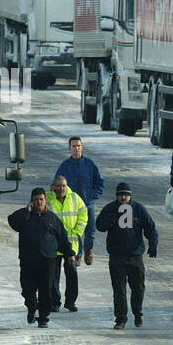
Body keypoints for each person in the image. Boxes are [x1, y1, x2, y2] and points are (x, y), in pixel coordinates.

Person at [7, 187, 75, 328]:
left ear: (45, 201)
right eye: (36, 200)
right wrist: (26, 211)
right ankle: (32, 308)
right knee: (27, 289)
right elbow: (12, 221)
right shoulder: (25, 217)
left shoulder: (52, 219)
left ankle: (43, 317)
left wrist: (69, 254)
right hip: (28, 260)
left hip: (48, 260)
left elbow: (62, 238)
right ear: (32, 201)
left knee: (46, 290)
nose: (39, 202)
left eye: (41, 200)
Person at [96, 182, 158, 330]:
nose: (123, 197)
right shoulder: (110, 208)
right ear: (117, 195)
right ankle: (120, 319)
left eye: (126, 194)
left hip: (135, 256)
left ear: (130, 195)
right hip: (117, 256)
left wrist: (153, 243)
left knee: (138, 288)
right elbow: (99, 226)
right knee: (119, 290)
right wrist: (112, 218)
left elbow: (150, 227)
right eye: (121, 194)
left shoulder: (138, 209)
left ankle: (138, 314)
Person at [54, 136, 104, 264]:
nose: (76, 149)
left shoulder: (90, 165)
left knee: (90, 230)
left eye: (78, 146)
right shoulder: (65, 166)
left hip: (88, 204)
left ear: (82, 147)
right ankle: (78, 255)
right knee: (75, 230)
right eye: (74, 146)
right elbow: (57, 184)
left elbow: (99, 183)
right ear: (69, 148)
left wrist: (92, 196)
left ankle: (89, 250)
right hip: (72, 206)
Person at [46, 175, 87, 312]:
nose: (61, 188)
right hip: (53, 244)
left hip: (70, 244)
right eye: (58, 186)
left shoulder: (75, 198)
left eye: (64, 185)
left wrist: (77, 232)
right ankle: (54, 302)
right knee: (53, 275)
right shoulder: (47, 199)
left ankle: (71, 302)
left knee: (72, 275)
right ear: (53, 186)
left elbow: (83, 214)